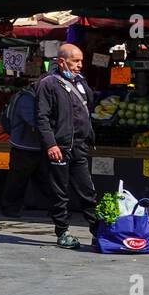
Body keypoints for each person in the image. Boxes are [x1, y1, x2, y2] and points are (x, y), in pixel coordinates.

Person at [35, 43, 97, 249]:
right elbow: (41, 118)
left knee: (87, 191)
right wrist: (50, 144)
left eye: (81, 61)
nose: (80, 65)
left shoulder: (81, 82)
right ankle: (62, 232)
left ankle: (98, 230)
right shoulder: (48, 84)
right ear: (62, 62)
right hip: (59, 148)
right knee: (60, 193)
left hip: (79, 146)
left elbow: (87, 107)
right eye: (75, 61)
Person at [0, 83, 41, 219]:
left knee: (46, 179)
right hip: (23, 145)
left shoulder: (32, 97)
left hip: (37, 145)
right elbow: (34, 120)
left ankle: (55, 208)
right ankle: (9, 207)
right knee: (17, 180)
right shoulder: (26, 99)